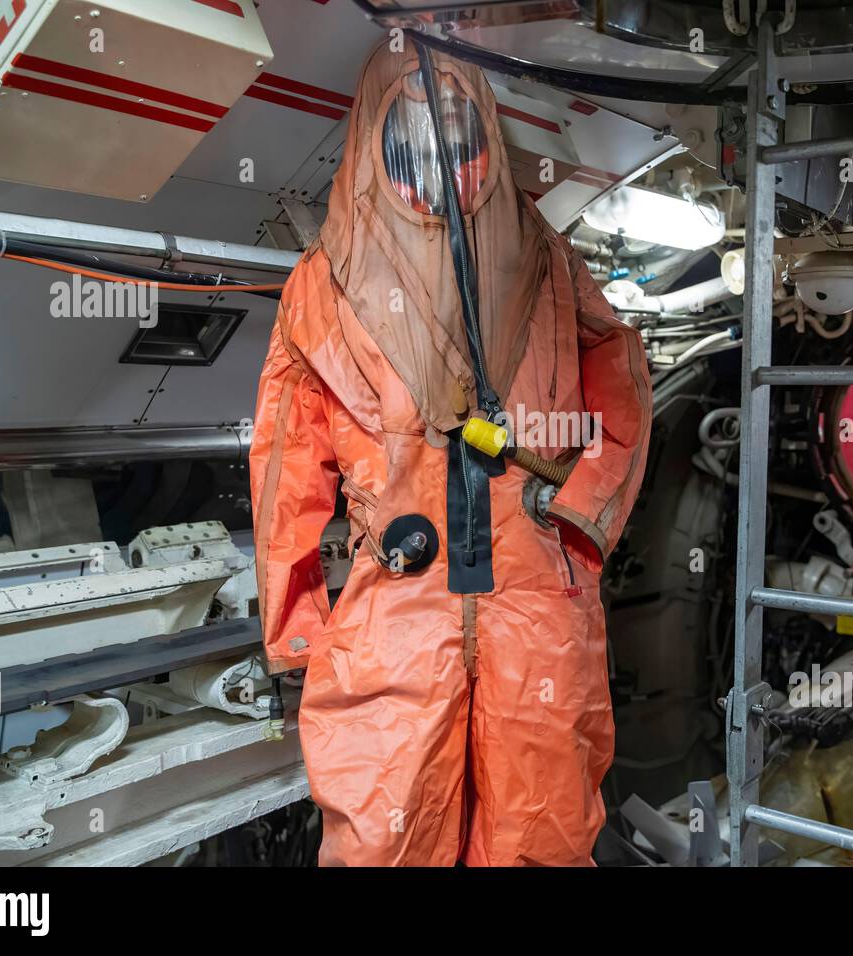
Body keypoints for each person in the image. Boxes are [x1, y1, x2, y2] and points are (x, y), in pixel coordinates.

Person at [249, 37, 651, 866]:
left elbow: (621, 377)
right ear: (374, 139)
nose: (439, 152)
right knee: (385, 836)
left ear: (485, 137)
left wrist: (581, 514)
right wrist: (296, 622)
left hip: (535, 600)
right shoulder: (324, 284)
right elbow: (286, 461)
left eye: (459, 134)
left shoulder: (542, 258)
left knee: (540, 833)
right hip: (397, 608)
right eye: (414, 136)